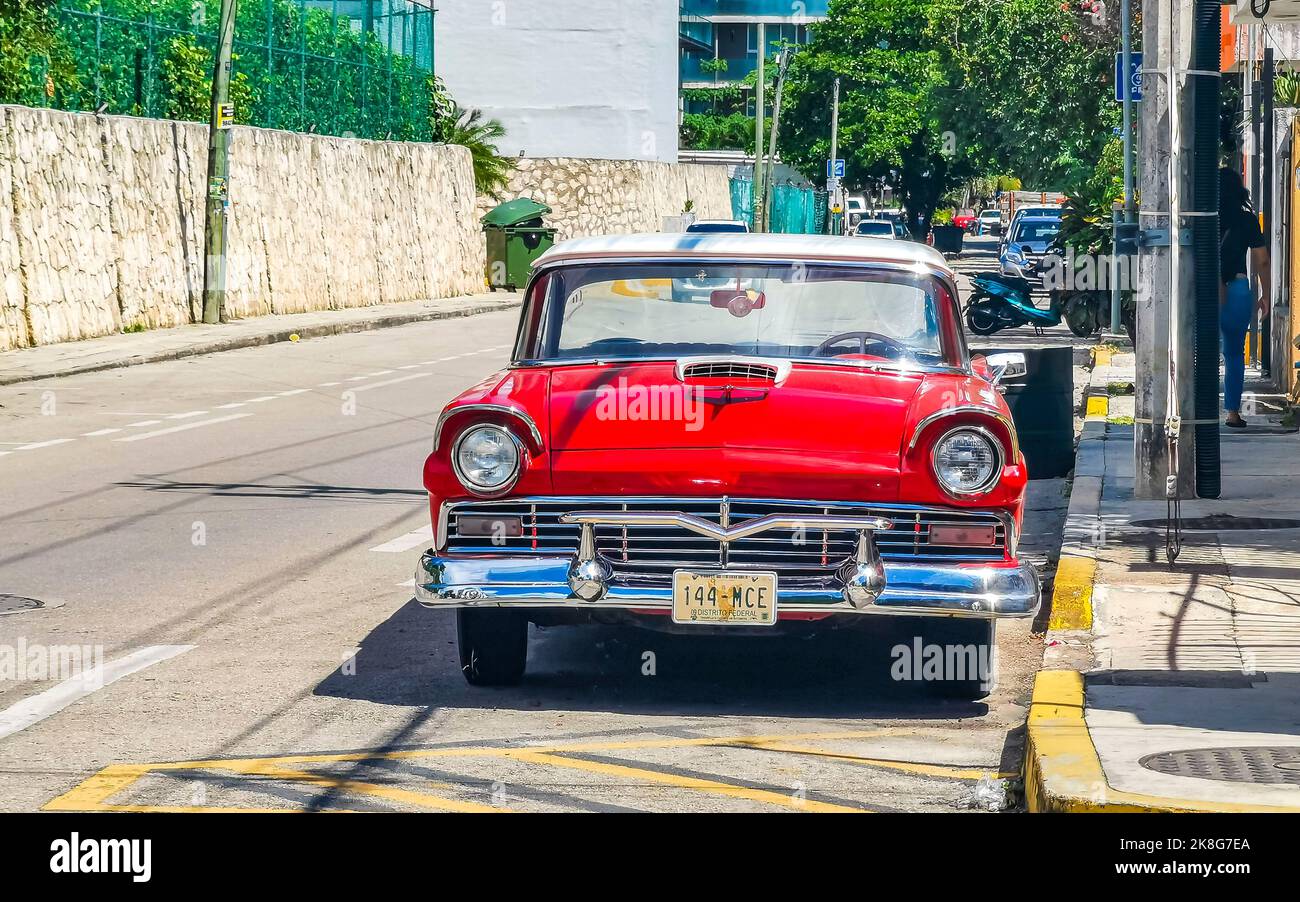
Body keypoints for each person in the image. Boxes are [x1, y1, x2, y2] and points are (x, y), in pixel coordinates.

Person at [1219, 167, 1271, 428]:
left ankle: (1192, 408)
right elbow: (1262, 260)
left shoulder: (1202, 217)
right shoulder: (1247, 220)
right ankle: (1232, 413)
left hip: (1206, 291)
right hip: (1238, 290)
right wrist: (1266, 294)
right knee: (1234, 354)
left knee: (1196, 352)